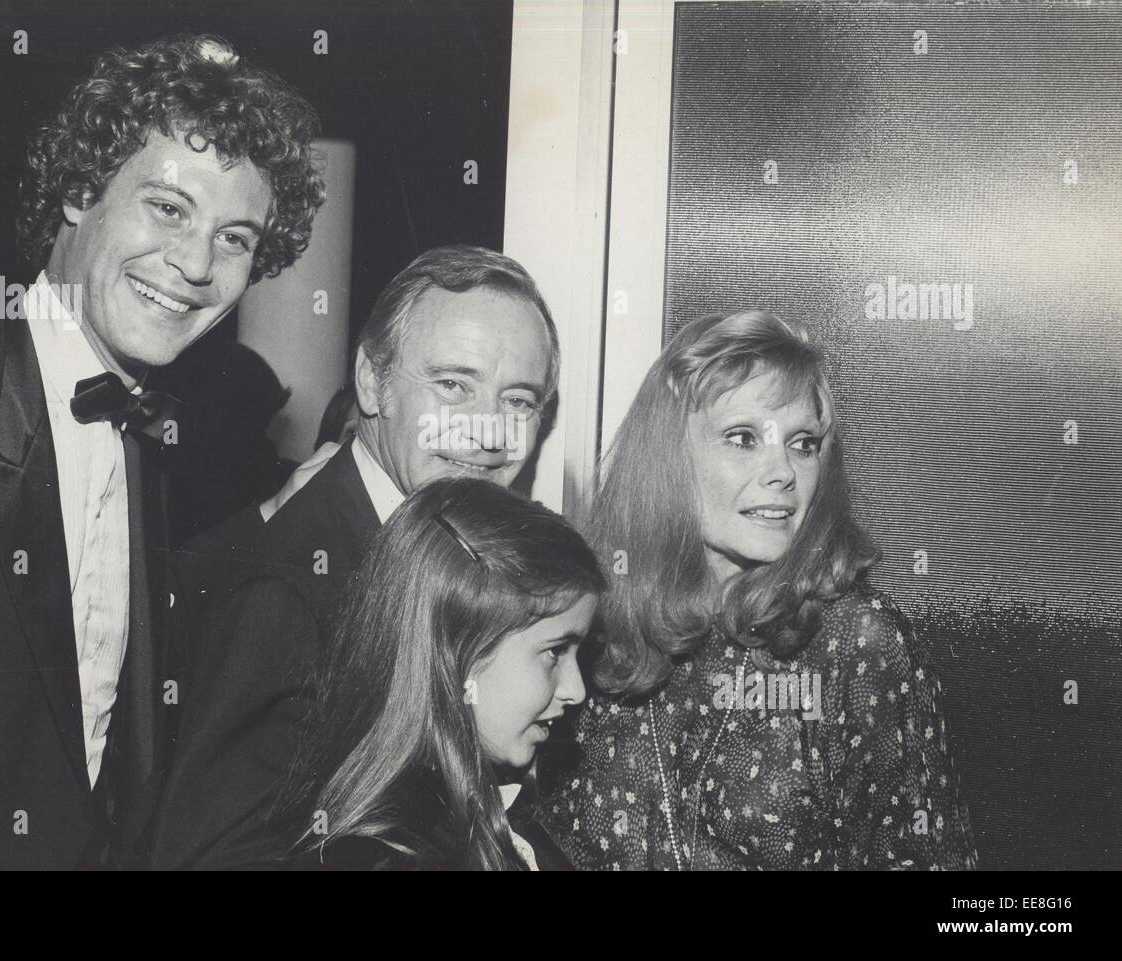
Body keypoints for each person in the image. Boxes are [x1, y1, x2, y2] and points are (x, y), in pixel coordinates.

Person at [0, 34, 324, 868]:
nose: (195, 263)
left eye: (235, 238)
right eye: (168, 208)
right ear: (80, 189)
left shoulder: (155, 440)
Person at [152, 244, 560, 867]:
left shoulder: (468, 560)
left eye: (518, 402)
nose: (487, 430)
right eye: (453, 385)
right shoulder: (291, 587)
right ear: (373, 381)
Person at [544, 309, 978, 870]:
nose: (783, 472)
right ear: (667, 457)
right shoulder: (592, 626)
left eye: (802, 444)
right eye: (743, 438)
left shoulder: (861, 645)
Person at [262, 477, 604, 870]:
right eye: (555, 651)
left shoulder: (502, 816)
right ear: (456, 653)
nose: (576, 690)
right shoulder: (386, 859)